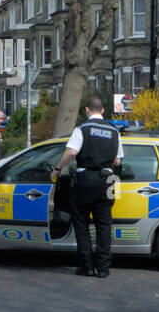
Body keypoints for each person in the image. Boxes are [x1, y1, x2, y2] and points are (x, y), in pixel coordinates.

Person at [50, 96, 123, 278]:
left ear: (87, 110)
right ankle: (103, 268)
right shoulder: (114, 130)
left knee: (81, 224)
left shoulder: (83, 128)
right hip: (108, 180)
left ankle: (87, 266)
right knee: (104, 225)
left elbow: (72, 152)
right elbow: (117, 160)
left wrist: (58, 169)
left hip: (86, 179)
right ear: (103, 111)